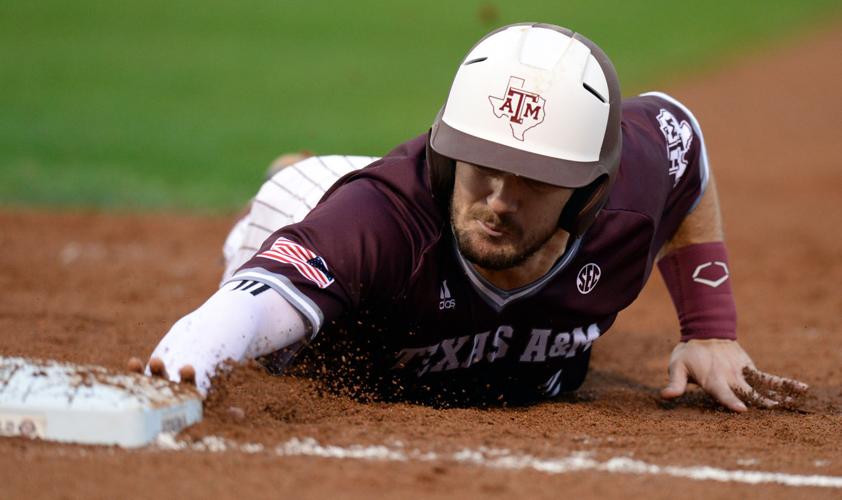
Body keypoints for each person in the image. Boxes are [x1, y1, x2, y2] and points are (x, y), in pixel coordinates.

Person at [136, 23, 806, 411]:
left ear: (588, 191)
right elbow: (253, 304)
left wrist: (709, 327)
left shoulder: (635, 174)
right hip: (323, 212)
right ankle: (295, 171)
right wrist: (195, 354)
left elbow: (683, 138)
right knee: (305, 207)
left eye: (533, 182)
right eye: (481, 166)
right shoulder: (380, 220)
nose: (498, 201)